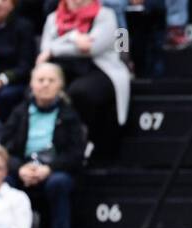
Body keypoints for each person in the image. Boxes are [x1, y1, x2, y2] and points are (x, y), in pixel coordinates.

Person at [0, 62, 87, 228]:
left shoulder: (69, 115)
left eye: (51, 80)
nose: (45, 85)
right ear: (32, 84)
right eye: (40, 80)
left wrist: (50, 169)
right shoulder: (20, 112)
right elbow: (3, 149)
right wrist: (19, 168)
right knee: (5, 183)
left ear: (60, 86)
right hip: (25, 168)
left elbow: (76, 154)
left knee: (59, 183)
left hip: (54, 170)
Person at [37, 0, 131, 161]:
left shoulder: (106, 15)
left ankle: (85, 143)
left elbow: (91, 48)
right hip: (64, 70)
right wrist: (74, 38)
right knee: (40, 89)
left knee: (80, 92)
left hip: (101, 68)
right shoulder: (53, 18)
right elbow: (45, 48)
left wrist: (55, 47)